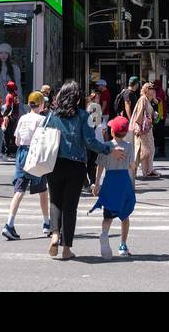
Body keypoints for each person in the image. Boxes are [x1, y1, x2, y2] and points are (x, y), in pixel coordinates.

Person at [42, 81, 121, 260]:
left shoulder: (52, 115)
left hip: (53, 164)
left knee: (55, 201)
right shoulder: (82, 116)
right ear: (76, 98)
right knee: (70, 207)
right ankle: (66, 248)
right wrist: (108, 149)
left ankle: (55, 234)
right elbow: (90, 142)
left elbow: (43, 136)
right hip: (76, 165)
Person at [1, 91, 51, 241]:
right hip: (35, 155)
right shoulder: (43, 119)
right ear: (41, 104)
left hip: (22, 154)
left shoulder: (23, 118)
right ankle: (46, 223)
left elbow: (17, 141)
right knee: (43, 189)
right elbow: (45, 139)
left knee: (19, 190)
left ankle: (9, 223)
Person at [90, 115, 136, 258]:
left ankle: (104, 234)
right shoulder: (128, 147)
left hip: (110, 181)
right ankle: (123, 245)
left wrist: (97, 183)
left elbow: (100, 166)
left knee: (108, 216)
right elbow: (132, 166)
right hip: (123, 181)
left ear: (112, 132)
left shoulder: (107, 147)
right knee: (125, 215)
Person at [131, 81, 160, 180]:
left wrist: (154, 114)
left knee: (147, 150)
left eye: (153, 90)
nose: (152, 93)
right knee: (143, 151)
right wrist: (138, 127)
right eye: (150, 90)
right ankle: (142, 170)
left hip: (147, 129)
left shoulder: (147, 100)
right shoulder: (143, 100)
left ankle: (147, 170)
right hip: (142, 130)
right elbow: (139, 114)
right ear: (145, 91)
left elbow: (146, 114)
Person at [0, 81, 20, 159]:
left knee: (6, 135)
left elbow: (8, 107)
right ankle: (16, 150)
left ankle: (6, 152)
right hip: (15, 117)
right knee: (12, 134)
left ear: (9, 88)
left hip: (9, 117)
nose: (6, 87)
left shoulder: (9, 96)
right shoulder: (16, 96)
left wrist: (3, 115)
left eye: (7, 86)